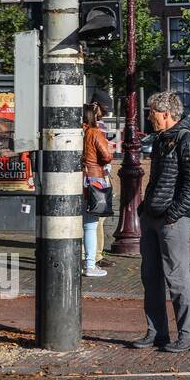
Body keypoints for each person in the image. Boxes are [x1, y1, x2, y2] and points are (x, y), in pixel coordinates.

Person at [133, 91, 190, 352]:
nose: (149, 116)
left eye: (152, 112)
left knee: (177, 277)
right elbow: (157, 179)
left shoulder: (185, 140)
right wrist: (145, 209)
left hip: (172, 220)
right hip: (153, 217)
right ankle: (157, 331)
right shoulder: (163, 140)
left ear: (165, 114)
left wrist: (174, 213)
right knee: (150, 277)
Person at [81, 104, 113, 277]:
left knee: (79, 224)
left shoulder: (78, 132)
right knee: (91, 226)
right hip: (94, 180)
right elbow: (106, 156)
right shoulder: (94, 133)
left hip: (77, 181)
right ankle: (90, 265)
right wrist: (109, 149)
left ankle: (80, 261)